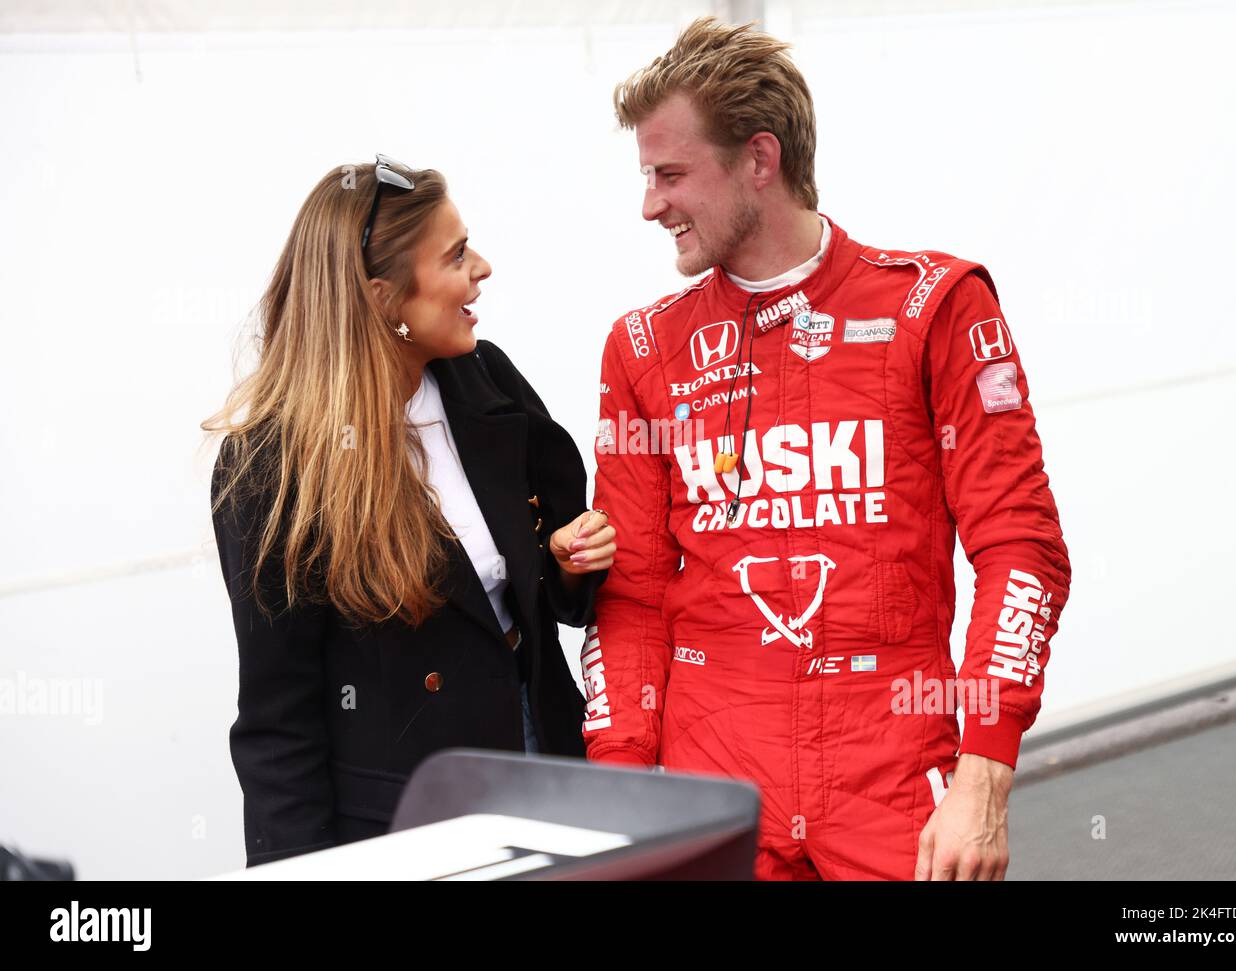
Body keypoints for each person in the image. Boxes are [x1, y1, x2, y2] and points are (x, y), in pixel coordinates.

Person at [581, 18, 1071, 881]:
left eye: (670, 173)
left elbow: (1020, 551)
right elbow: (634, 598)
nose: (650, 204)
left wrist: (982, 778)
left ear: (758, 160)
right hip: (711, 790)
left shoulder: (935, 306)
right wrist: (622, 790)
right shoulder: (644, 348)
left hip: (890, 784)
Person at [205, 156, 615, 868]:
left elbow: (552, 593)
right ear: (383, 299)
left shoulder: (488, 381)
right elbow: (279, 724)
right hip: (411, 825)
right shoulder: (268, 471)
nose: (482, 268)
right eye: (456, 255)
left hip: (547, 773)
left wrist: (566, 559)